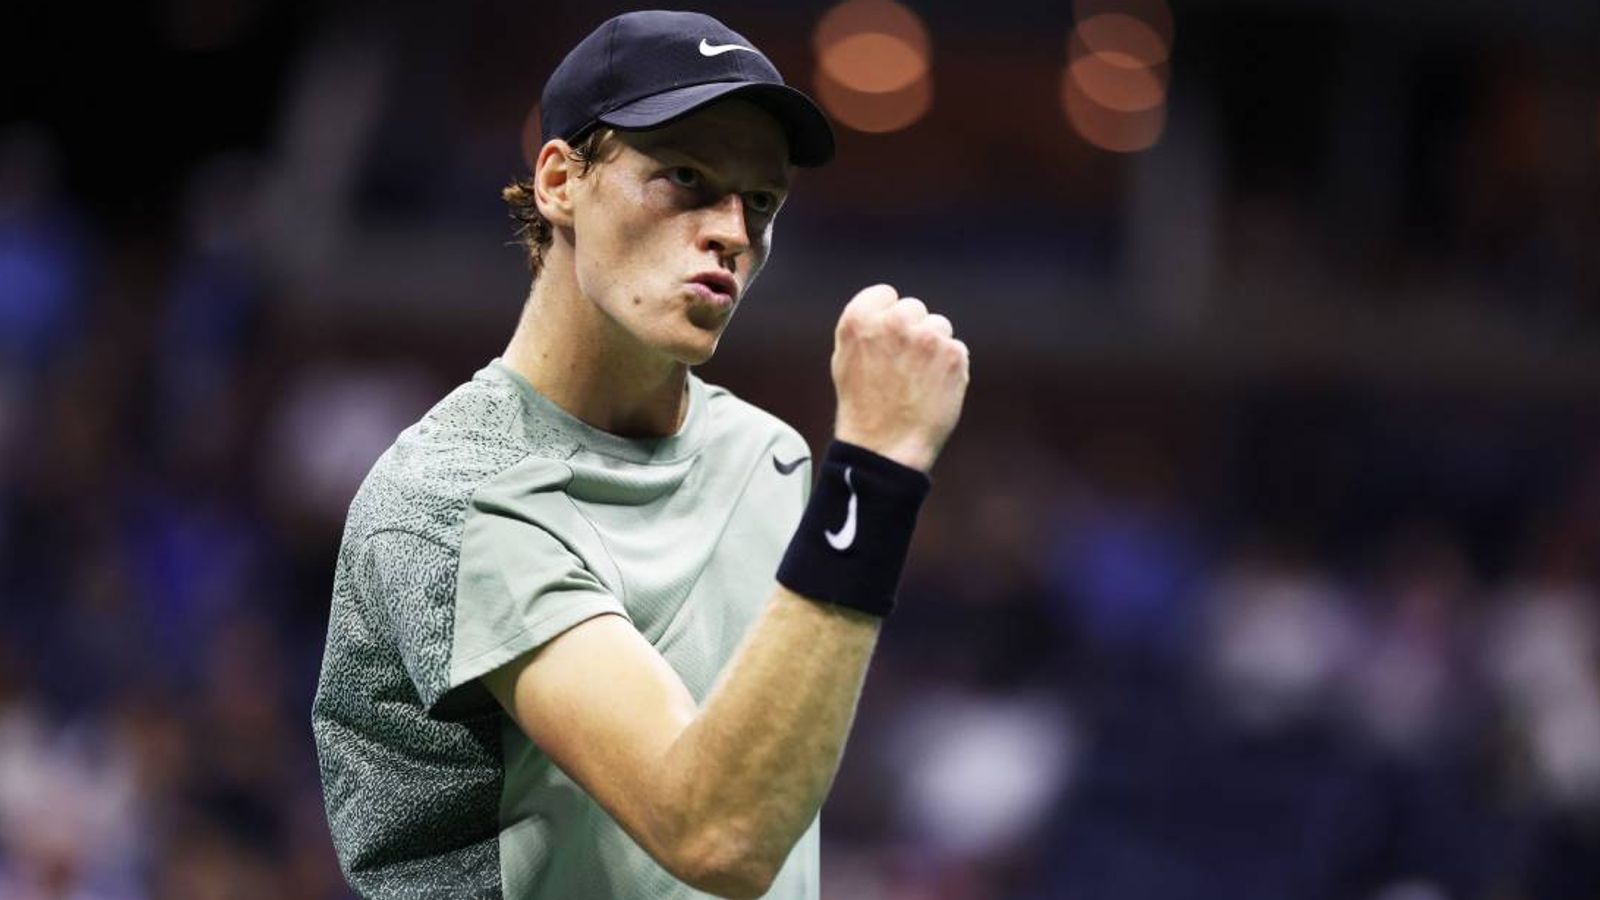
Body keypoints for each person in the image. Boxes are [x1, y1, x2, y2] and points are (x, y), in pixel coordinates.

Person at [311, 10, 970, 898]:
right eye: (685, 178)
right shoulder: (452, 499)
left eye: (761, 201)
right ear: (559, 180)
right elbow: (715, 833)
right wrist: (877, 472)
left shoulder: (767, 456)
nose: (732, 231)